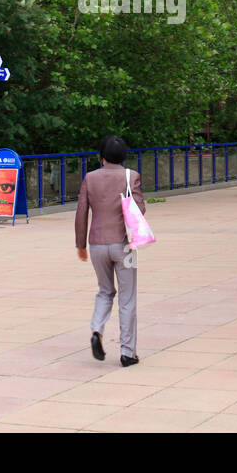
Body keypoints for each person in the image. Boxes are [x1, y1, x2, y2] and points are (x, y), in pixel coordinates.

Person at [75, 135, 146, 367]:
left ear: (102, 156)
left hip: (97, 244)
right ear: (124, 156)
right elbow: (140, 209)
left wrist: (81, 245)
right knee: (127, 297)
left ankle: (97, 329)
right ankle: (127, 352)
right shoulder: (131, 176)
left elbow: (82, 212)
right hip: (123, 244)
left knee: (105, 291)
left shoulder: (90, 177)